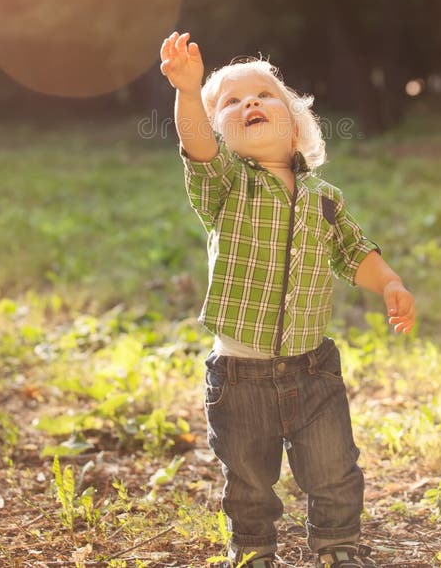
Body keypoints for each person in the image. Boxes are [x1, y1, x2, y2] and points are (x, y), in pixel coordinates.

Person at [159, 31, 416, 568]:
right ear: (219, 133)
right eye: (229, 103)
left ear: (297, 124)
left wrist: (389, 281)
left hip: (312, 369)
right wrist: (188, 92)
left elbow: (354, 251)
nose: (249, 102)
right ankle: (253, 549)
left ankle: (337, 544)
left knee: (334, 467)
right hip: (240, 373)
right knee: (248, 476)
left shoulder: (325, 199)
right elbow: (198, 148)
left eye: (262, 94)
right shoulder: (226, 186)